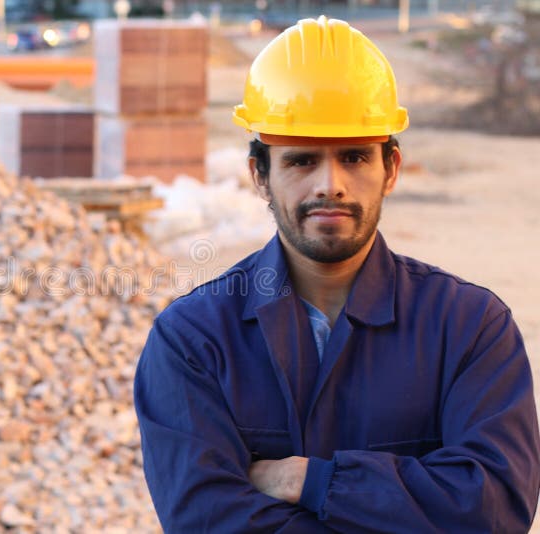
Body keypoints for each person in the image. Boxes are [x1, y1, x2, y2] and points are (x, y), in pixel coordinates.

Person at [134, 15, 540, 532]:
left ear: (390, 168)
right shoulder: (193, 340)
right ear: (260, 175)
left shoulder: (468, 327)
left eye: (353, 157)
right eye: (302, 161)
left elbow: (496, 508)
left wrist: (311, 482)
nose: (331, 185)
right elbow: (204, 518)